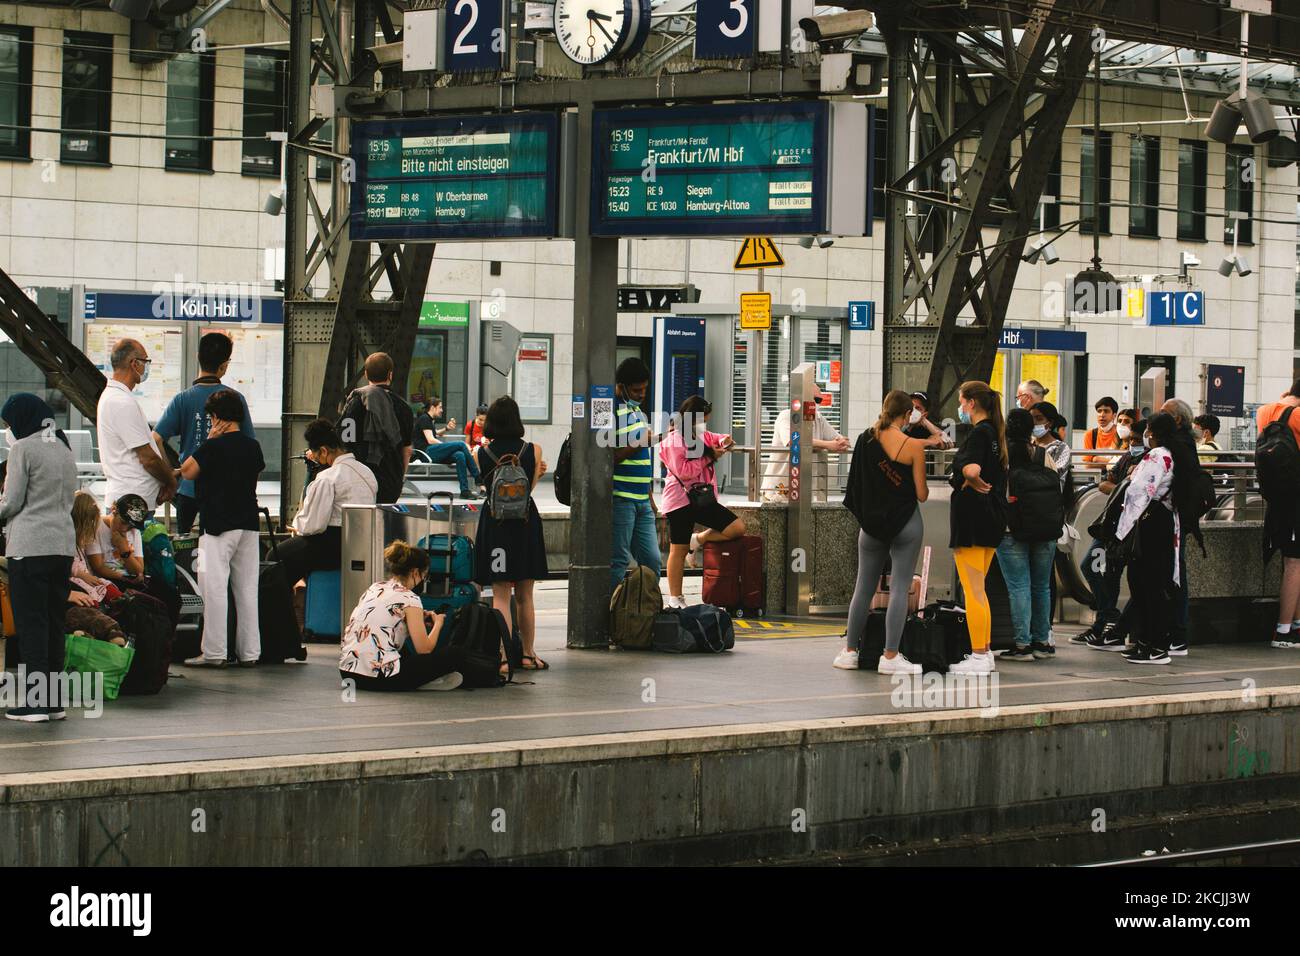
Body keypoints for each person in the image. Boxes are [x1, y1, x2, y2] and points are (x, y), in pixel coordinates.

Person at [838, 389, 928, 673]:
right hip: (906, 523)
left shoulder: (866, 438)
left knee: (863, 588)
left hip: (871, 524)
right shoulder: (913, 446)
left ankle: (849, 652)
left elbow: (856, 483)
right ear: (906, 415)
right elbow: (922, 494)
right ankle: (890, 657)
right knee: (900, 588)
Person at [0, 394, 78, 722]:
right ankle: (53, 702)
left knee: (32, 625)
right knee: (53, 624)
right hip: (61, 547)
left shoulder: (23, 449)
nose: (8, 430)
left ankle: (35, 705)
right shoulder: (63, 448)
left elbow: (12, 501)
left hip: (29, 547)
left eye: (8, 423)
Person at [178, 390, 265, 667]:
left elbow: (187, 471)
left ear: (216, 418)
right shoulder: (253, 446)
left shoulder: (213, 447)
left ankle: (215, 652)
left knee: (214, 590)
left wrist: (208, 441)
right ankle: (250, 652)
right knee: (247, 590)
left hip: (217, 525)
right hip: (249, 526)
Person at [473, 396, 548, 671]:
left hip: (496, 526)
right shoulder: (534, 450)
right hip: (526, 525)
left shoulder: (480, 454)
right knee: (526, 595)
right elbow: (529, 490)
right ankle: (528, 655)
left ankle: (503, 657)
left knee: (501, 594)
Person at [153, 331, 255, 534]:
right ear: (224, 365)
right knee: (218, 550)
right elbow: (248, 444)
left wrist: (170, 475)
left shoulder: (182, 399)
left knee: (184, 549)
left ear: (199, 358)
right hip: (224, 493)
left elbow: (156, 438)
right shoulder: (235, 399)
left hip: (188, 488)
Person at [338, 541, 463, 691]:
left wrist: (414, 621)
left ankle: (419, 679)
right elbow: (424, 649)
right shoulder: (410, 598)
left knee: (399, 651)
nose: (423, 580)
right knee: (455, 653)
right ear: (415, 573)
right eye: (424, 575)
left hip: (348, 674)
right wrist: (438, 624)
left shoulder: (375, 587)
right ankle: (427, 680)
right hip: (382, 678)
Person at [659, 395, 744, 609]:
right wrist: (710, 457)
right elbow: (684, 472)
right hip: (680, 500)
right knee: (677, 550)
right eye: (703, 419)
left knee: (737, 528)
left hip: (702, 499)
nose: (704, 424)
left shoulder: (700, 435)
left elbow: (718, 438)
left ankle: (698, 539)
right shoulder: (675, 440)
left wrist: (725, 441)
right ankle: (676, 599)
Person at [947, 381, 1007, 674]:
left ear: (971, 402)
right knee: (979, 589)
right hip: (991, 519)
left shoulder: (979, 434)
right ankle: (984, 651)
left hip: (971, 519)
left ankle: (979, 654)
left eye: (961, 401)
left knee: (973, 591)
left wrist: (968, 475)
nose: (960, 407)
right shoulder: (996, 433)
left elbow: (970, 467)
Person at [276, 418, 378, 587]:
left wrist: (297, 526)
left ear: (323, 451)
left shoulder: (327, 478)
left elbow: (313, 525)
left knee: (275, 558)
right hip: (362, 540)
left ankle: (284, 611)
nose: (317, 460)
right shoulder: (366, 472)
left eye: (316, 456)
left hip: (334, 544)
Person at [1114, 412, 1182, 665]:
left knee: (1144, 584)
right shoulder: (1175, 453)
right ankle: (1148, 642)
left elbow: (1139, 492)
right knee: (1152, 584)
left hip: (1148, 521)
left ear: (1152, 432)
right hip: (1163, 521)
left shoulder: (1157, 456)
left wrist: (1122, 530)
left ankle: (1153, 645)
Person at [1076, 418, 1148, 648]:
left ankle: (1105, 623)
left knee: (1113, 572)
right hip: (1113, 524)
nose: (1133, 444)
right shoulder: (1127, 457)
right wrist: (1125, 485)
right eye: (1130, 440)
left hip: (1132, 527)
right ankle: (1107, 616)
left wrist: (1126, 486)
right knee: (1091, 566)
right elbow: (1105, 484)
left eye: (1137, 440)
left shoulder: (1152, 460)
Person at [995, 408, 1059, 662]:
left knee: (1019, 586)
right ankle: (1041, 642)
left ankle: (1022, 645)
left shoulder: (1002, 456)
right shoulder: (1043, 455)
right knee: (1041, 586)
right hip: (1045, 529)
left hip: (1011, 529)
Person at [96, 338, 176, 511]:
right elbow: (148, 458)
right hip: (131, 504)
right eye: (146, 361)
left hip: (132, 498)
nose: (147, 367)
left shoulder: (115, 397)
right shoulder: (120, 402)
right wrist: (170, 481)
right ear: (134, 364)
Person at [610, 357, 662, 590]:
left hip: (642, 500)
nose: (642, 394)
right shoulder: (611, 413)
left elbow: (642, 457)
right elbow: (609, 457)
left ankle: (645, 611)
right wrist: (639, 442)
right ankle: (612, 612)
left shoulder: (638, 411)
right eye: (636, 390)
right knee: (618, 560)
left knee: (652, 560)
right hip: (621, 498)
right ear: (620, 387)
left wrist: (650, 498)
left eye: (644, 389)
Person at [1256, 381, 1300, 648]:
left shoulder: (1265, 411)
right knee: (1293, 564)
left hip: (1277, 498)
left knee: (1295, 562)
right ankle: (1282, 631)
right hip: (1296, 497)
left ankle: (1295, 626)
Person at [337, 352, 414, 505]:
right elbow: (407, 450)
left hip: (358, 479)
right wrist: (399, 477)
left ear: (365, 374)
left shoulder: (355, 403)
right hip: (390, 480)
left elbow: (344, 442)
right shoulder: (404, 408)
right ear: (390, 375)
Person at [1158, 397, 1202, 657]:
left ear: (1176, 420)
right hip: (1178, 519)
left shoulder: (1178, 445)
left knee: (1175, 576)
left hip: (1174, 520)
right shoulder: (1183, 443)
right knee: (1170, 574)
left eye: (1164, 413)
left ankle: (1177, 634)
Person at [762, 385, 851, 501]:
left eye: (819, 400)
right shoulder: (786, 416)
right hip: (777, 488)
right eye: (815, 399)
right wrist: (828, 445)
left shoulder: (819, 419)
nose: (817, 403)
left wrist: (841, 442)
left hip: (804, 488)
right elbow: (793, 441)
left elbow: (840, 440)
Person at [415, 397, 481, 500]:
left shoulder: (429, 420)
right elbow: (430, 440)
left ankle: (464, 491)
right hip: (426, 452)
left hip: (432, 452)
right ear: (432, 407)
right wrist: (445, 446)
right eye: (440, 407)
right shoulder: (424, 418)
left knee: (460, 455)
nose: (442, 410)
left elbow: (434, 433)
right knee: (461, 444)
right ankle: (477, 477)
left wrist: (446, 429)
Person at [85, 494, 149, 587]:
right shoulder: (95, 527)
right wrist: (125, 578)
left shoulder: (134, 532)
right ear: (113, 510)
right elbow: (98, 567)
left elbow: (138, 570)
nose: (125, 529)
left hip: (130, 580)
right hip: (106, 581)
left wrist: (123, 549)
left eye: (131, 526)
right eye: (123, 522)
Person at [69, 491, 118, 606]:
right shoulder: (66, 540)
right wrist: (82, 575)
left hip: (86, 578)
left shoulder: (80, 540)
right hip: (74, 580)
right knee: (91, 603)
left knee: (111, 590)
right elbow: (60, 565)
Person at [1029, 400, 1072, 487]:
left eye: (1039, 419)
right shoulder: (1027, 444)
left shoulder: (1060, 448)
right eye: (1031, 419)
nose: (1034, 423)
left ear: (1050, 423)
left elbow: (1056, 474)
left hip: (1049, 494)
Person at [1082, 396, 1121, 464]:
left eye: (1106, 411)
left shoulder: (1120, 433)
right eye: (1099, 411)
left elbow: (1121, 463)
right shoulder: (1090, 434)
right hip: (1095, 474)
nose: (1102, 415)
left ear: (1114, 415)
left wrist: (1096, 459)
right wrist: (1111, 463)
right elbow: (1087, 465)